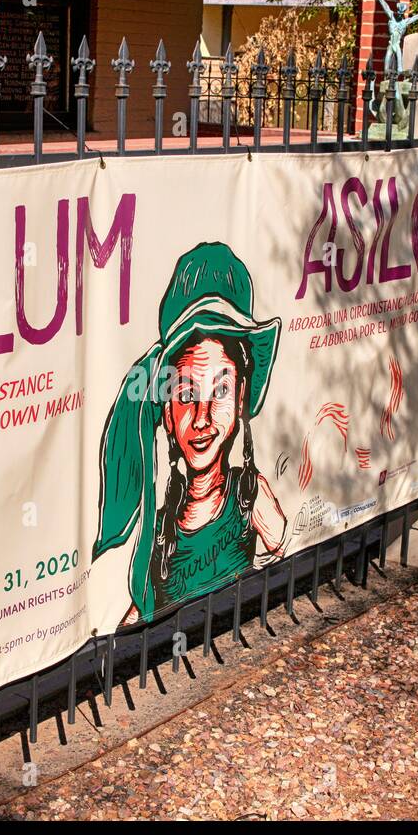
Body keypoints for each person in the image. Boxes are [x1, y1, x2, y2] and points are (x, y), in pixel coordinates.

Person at [94, 243, 287, 625]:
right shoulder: (161, 534)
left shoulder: (249, 498)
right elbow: (139, 613)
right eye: (186, 394)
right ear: (167, 412)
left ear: (241, 396)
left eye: (219, 391)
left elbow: (286, 561)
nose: (201, 418)